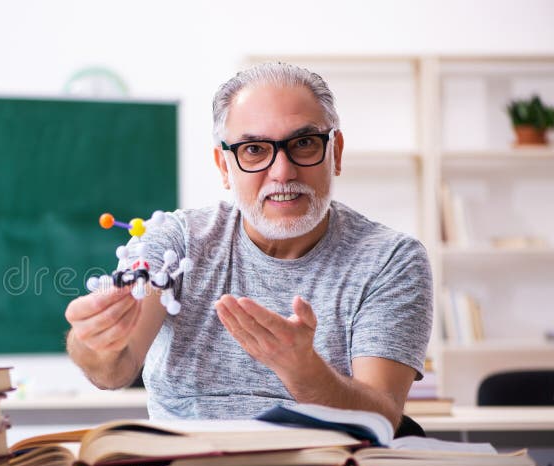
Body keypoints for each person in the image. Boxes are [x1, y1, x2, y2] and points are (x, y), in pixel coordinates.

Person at [65, 62, 433, 431]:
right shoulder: (176, 240)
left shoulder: (391, 259)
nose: (282, 172)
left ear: (335, 151)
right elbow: (114, 371)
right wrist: (94, 339)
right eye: (254, 149)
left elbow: (382, 417)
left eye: (303, 144)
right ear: (224, 167)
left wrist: (303, 370)